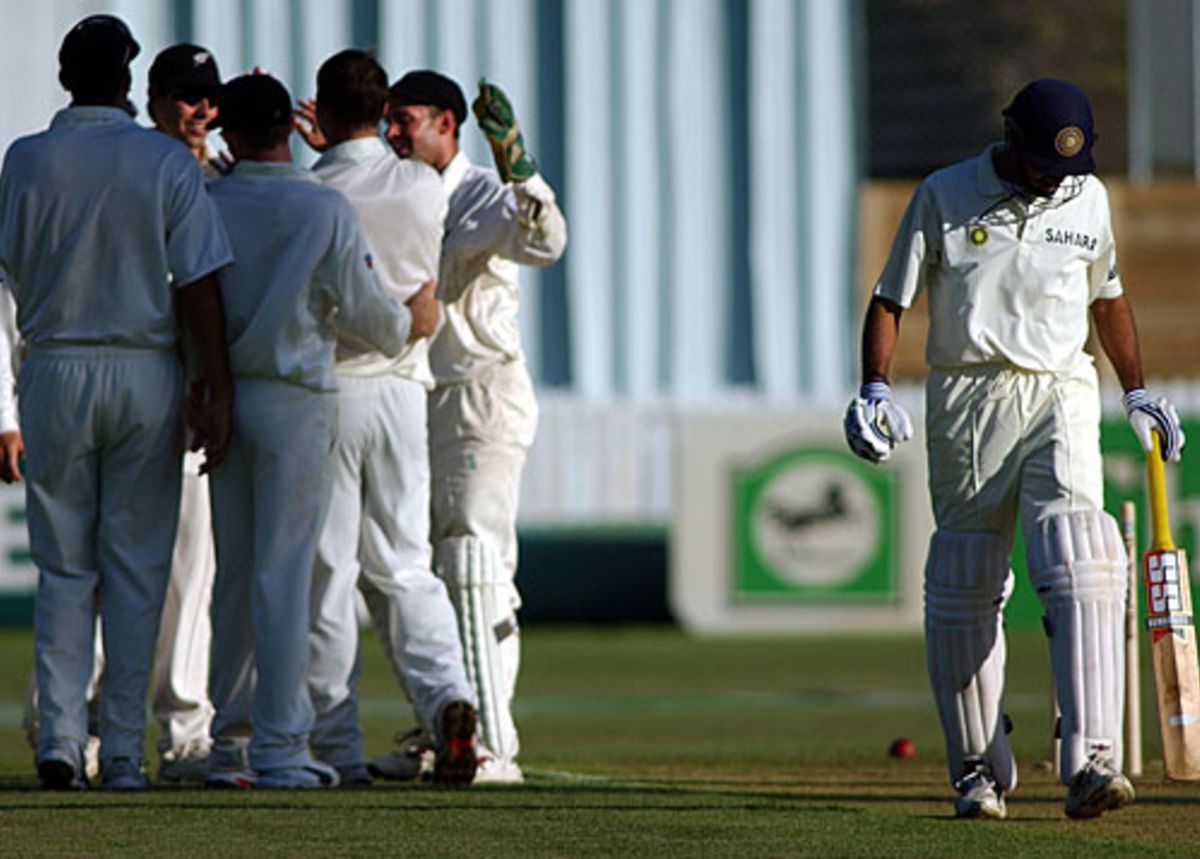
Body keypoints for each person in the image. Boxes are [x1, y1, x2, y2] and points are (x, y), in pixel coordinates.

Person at [843, 78, 1185, 820]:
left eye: (1067, 167)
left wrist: (1134, 389)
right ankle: (977, 766)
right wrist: (873, 385)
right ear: (1010, 140)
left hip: (1062, 387)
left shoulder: (1085, 198)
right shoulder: (944, 193)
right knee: (967, 575)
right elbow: (889, 298)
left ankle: (1092, 758)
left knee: (1084, 552)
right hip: (969, 395)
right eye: (1040, 164)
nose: (1052, 180)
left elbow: (1109, 296)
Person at [0, 14, 233, 791]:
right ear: (129, 80)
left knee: (65, 569)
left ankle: (63, 740)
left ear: (66, 78)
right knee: (138, 569)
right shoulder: (161, 161)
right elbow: (200, 287)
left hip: (56, 367)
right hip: (143, 367)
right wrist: (214, 386)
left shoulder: (25, 160)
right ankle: (126, 752)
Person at [202, 73, 438, 789]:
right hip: (300, 397)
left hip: (226, 398)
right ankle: (277, 746)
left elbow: (190, 301)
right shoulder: (320, 204)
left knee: (235, 574)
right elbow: (371, 312)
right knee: (285, 574)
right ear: (287, 130)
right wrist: (411, 322)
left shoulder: (209, 200)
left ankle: (228, 744)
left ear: (231, 136)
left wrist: (200, 386)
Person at [292, 49, 477, 788]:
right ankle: (449, 700)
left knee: (329, 571)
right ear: (382, 115)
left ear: (322, 112)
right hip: (403, 389)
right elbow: (421, 285)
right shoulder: (423, 184)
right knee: (406, 565)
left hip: (329, 389)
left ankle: (337, 744)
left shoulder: (312, 193)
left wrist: (327, 157)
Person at [381, 70, 567, 783]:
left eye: (409, 121)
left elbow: (546, 240)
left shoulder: (483, 193)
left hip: (481, 398)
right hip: (417, 396)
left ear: (449, 125)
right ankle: (440, 728)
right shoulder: (397, 194)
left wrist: (516, 159)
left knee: (474, 563)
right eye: (389, 121)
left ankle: (492, 743)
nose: (395, 133)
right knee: (420, 574)